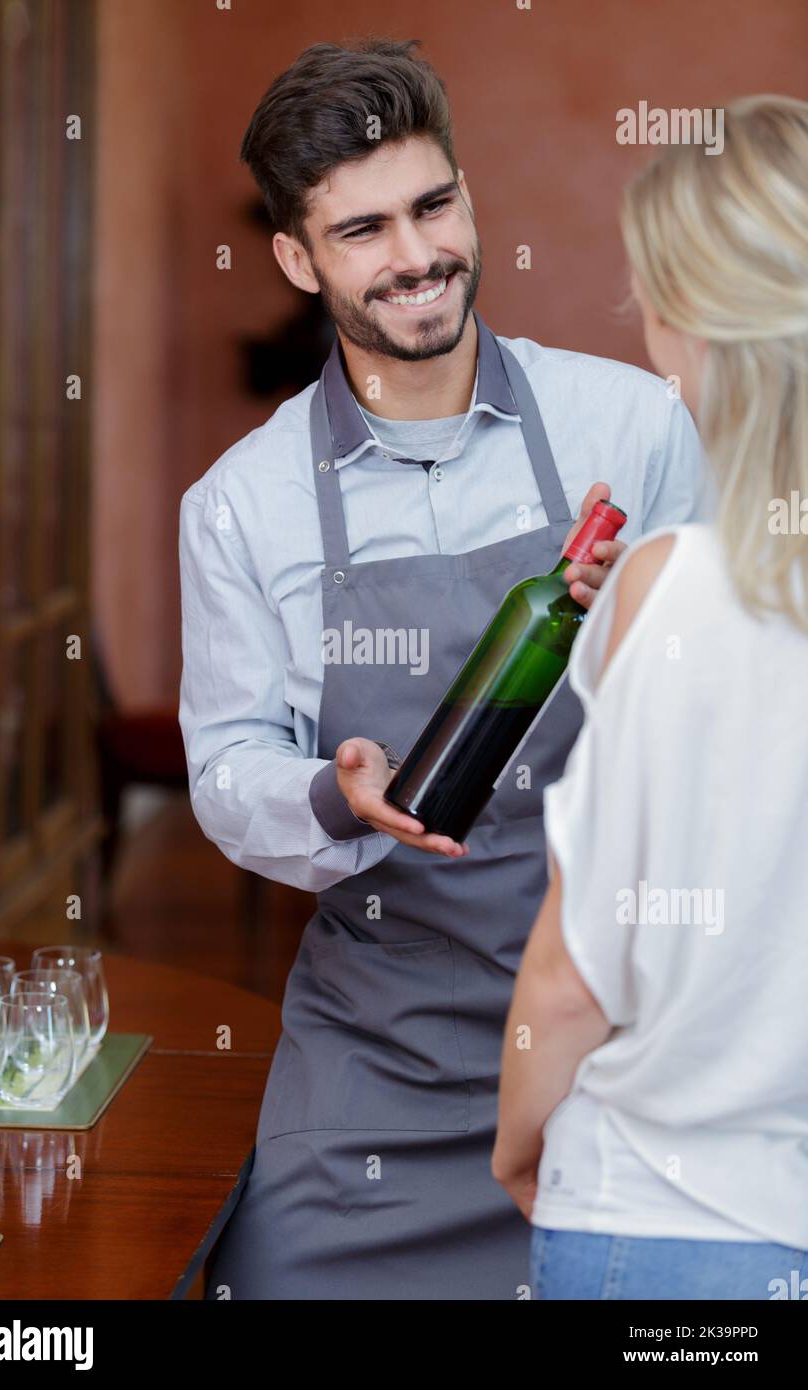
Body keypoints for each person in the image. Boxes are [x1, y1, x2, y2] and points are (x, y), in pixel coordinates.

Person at [179, 37, 708, 1300]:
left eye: (431, 205)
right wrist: (330, 793)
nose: (414, 256)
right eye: (361, 230)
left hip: (613, 1018)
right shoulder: (238, 508)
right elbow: (225, 766)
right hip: (382, 1043)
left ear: (468, 200)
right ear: (300, 261)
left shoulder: (631, 428)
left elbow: (718, 706)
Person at [493, 94, 808, 1301]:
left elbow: (572, 975)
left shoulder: (668, 592)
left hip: (662, 1227)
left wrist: (521, 1144)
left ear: (686, 320)